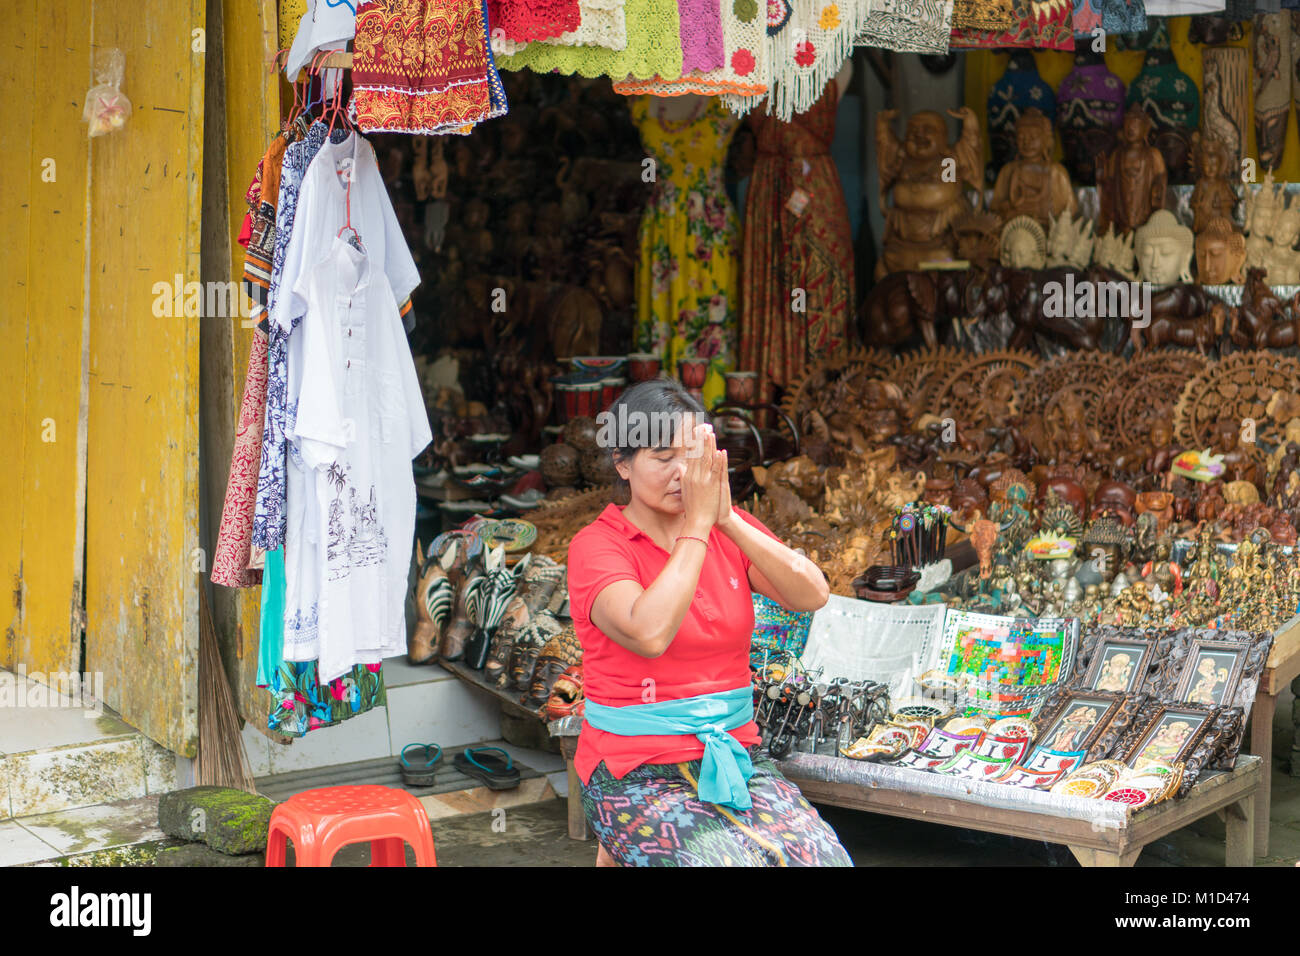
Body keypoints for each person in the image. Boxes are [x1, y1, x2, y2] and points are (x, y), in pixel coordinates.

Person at [566, 379, 849, 866]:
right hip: (632, 769)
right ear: (622, 463)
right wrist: (698, 528)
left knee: (824, 859)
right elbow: (649, 633)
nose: (682, 474)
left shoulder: (724, 529)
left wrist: (727, 519)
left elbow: (812, 593)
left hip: (735, 756)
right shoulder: (597, 546)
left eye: (693, 457)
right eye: (662, 458)